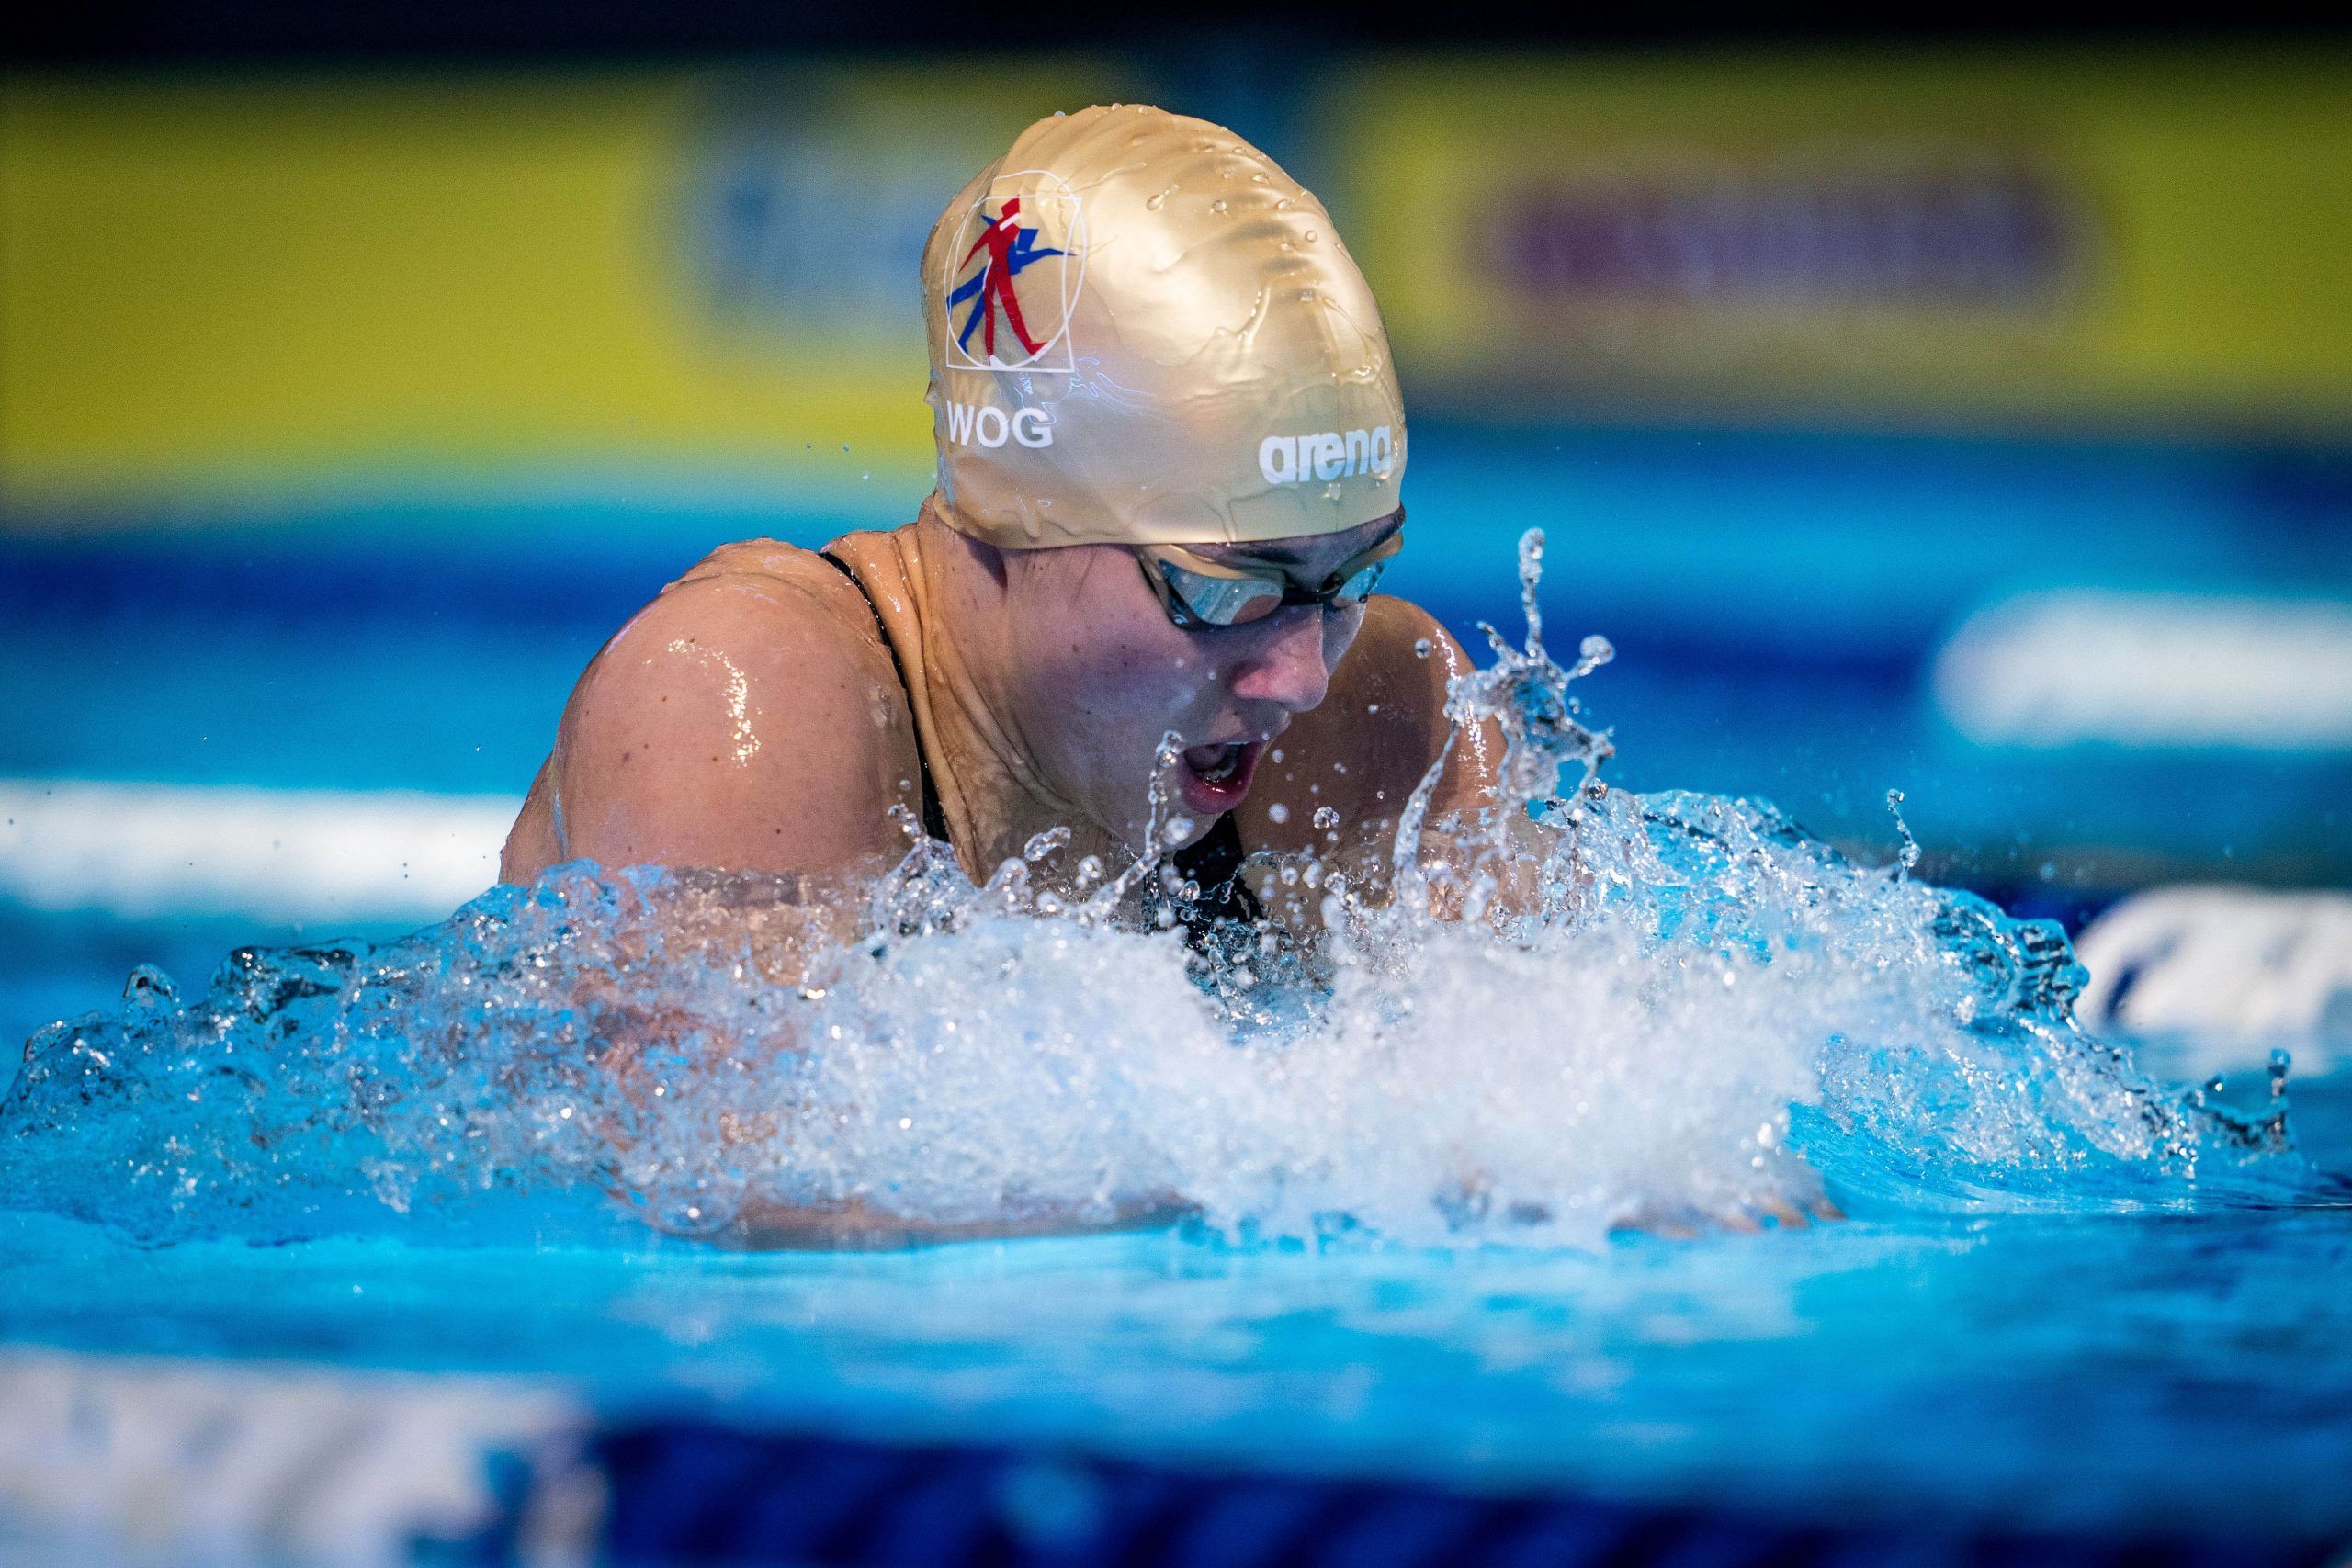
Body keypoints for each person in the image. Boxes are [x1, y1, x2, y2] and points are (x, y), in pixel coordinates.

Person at [501, 102, 1503, 960]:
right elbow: (749, 1177)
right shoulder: (735, 703)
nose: (1303, 678)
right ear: (1018, 518)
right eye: (1224, 590)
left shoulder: (1382, 724)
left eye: (1348, 581)